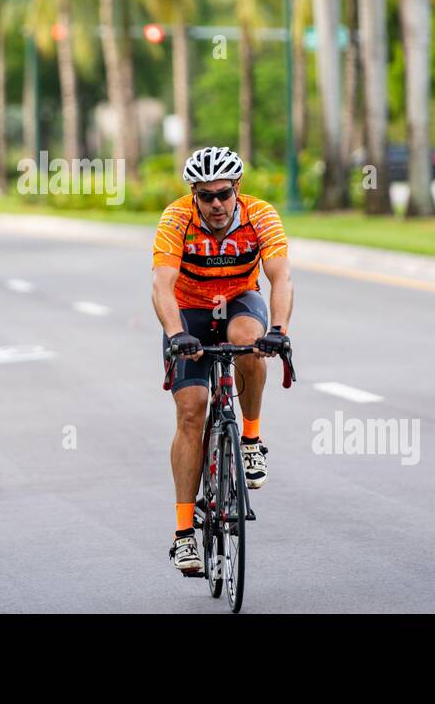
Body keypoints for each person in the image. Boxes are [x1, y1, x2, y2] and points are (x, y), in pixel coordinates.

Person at [152, 146, 294, 575]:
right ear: (194, 194)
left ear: (238, 189)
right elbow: (162, 284)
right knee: (191, 412)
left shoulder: (260, 215)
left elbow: (281, 275)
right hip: (190, 311)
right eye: (206, 195)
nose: (216, 204)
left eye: (224, 194)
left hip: (239, 302)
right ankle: (182, 536)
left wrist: (280, 331)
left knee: (251, 342)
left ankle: (250, 440)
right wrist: (177, 335)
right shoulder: (176, 219)